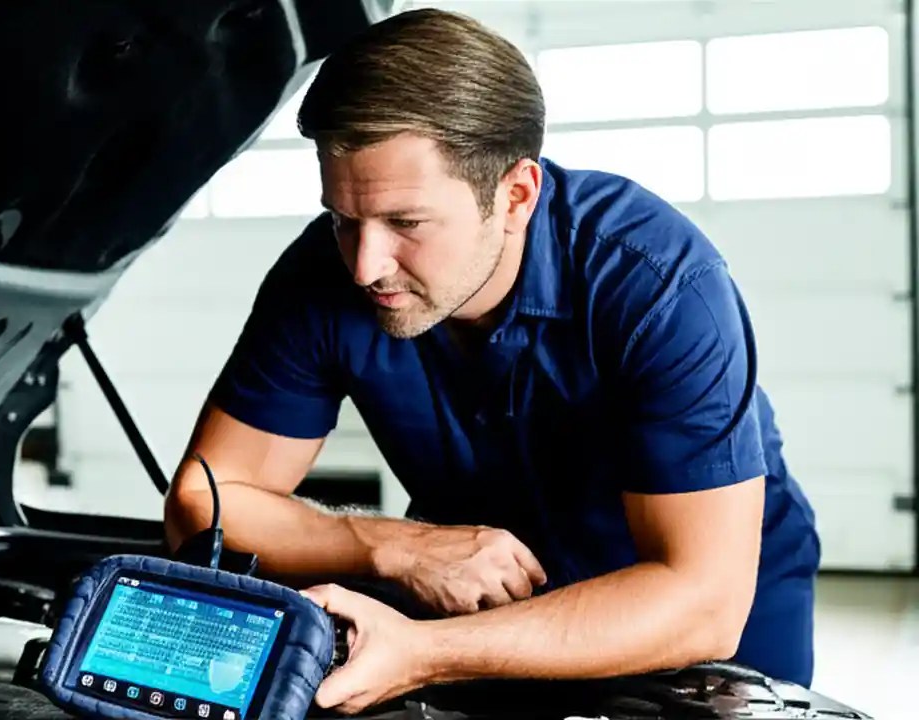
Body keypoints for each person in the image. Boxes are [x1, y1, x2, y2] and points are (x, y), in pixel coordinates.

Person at [163, 7, 821, 714]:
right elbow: (203, 503)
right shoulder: (320, 278)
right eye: (343, 218)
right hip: (484, 591)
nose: (363, 265)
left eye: (405, 223)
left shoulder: (658, 284)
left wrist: (426, 652)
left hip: (702, 603)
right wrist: (391, 545)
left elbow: (700, 602)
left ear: (516, 195)